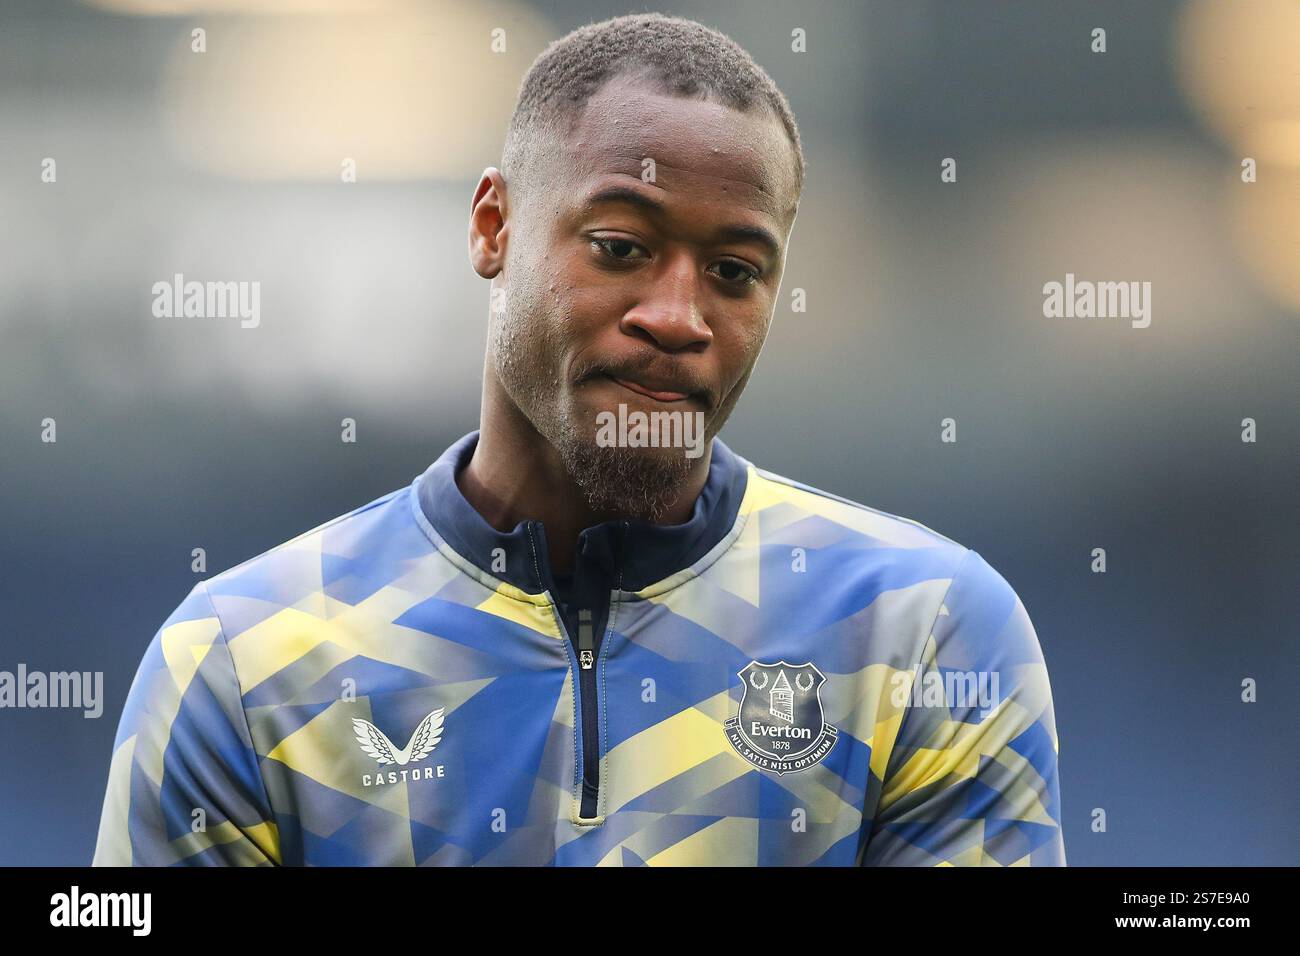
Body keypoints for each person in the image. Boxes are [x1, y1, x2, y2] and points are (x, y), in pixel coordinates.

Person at [93, 12, 1064, 866]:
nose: (679, 316)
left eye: (732, 270)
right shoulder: (244, 661)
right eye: (620, 247)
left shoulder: (921, 631)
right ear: (493, 227)